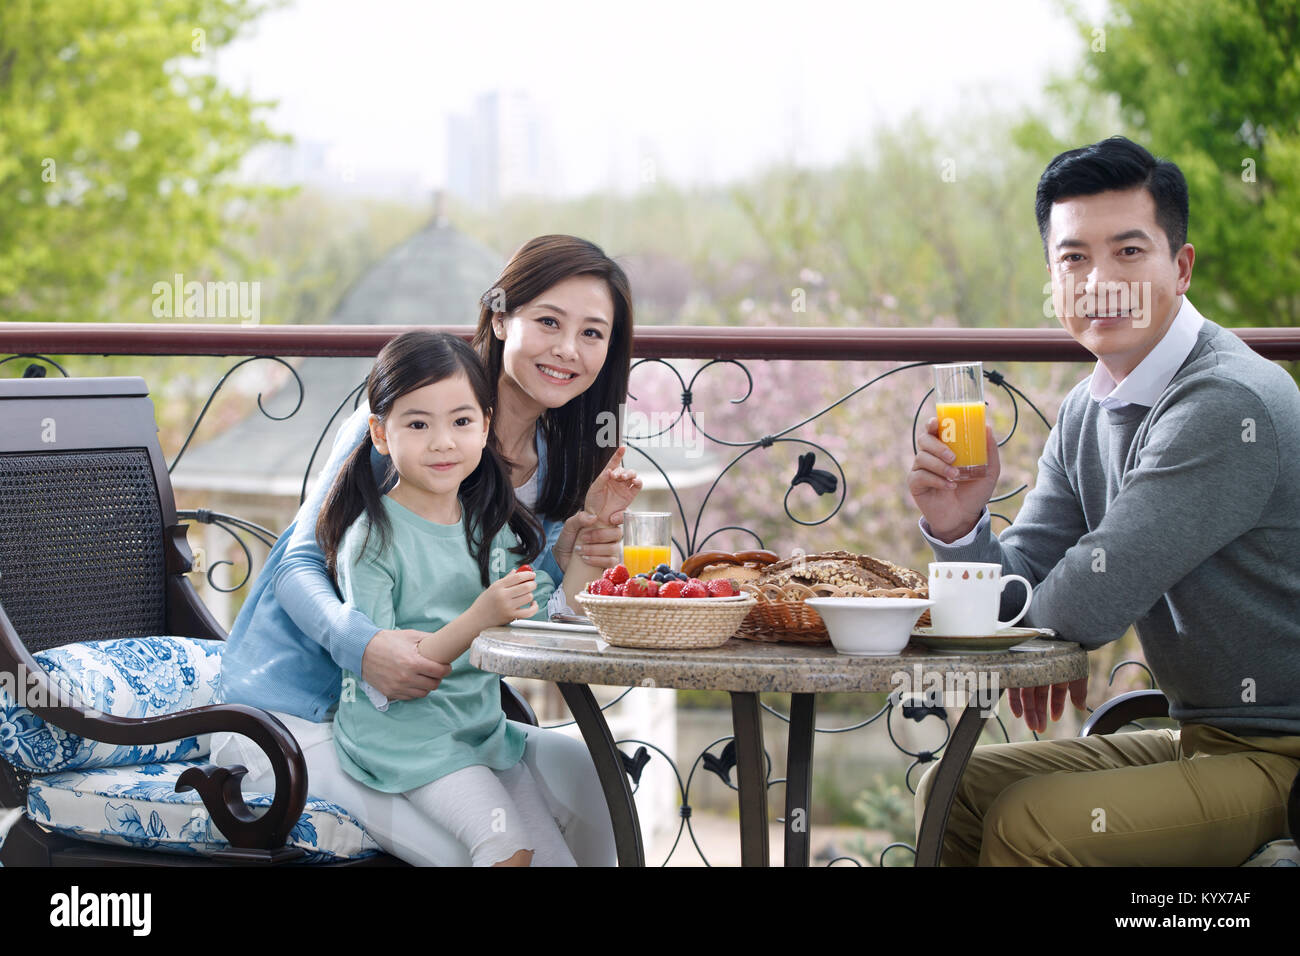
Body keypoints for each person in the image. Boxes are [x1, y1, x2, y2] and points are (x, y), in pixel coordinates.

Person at [907, 136, 1300, 866]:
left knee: (1037, 824)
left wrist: (1055, 633)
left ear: (1180, 268)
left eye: (1128, 252)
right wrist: (959, 526)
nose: (1101, 282)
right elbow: (1027, 577)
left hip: (1282, 754)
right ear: (1054, 283)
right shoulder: (1092, 407)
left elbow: (1084, 600)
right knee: (952, 786)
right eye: (1075, 259)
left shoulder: (1224, 402)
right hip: (1200, 739)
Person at [216, 235, 637, 865]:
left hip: (437, 719)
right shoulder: (405, 421)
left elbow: (501, 600)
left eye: (592, 333)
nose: (567, 349)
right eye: (548, 322)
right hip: (301, 716)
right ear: (501, 318)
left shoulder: (552, 464)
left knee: (597, 782)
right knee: (496, 848)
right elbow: (298, 566)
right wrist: (363, 646)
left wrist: (567, 550)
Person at [315, 331, 638, 866]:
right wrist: (481, 615)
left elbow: (553, 608)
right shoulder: (372, 538)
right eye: (418, 424)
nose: (443, 441)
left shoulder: (487, 525)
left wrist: (591, 530)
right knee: (506, 848)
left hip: (480, 731)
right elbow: (389, 676)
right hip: (404, 738)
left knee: (556, 858)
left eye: (461, 422)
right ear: (380, 434)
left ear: (485, 427)